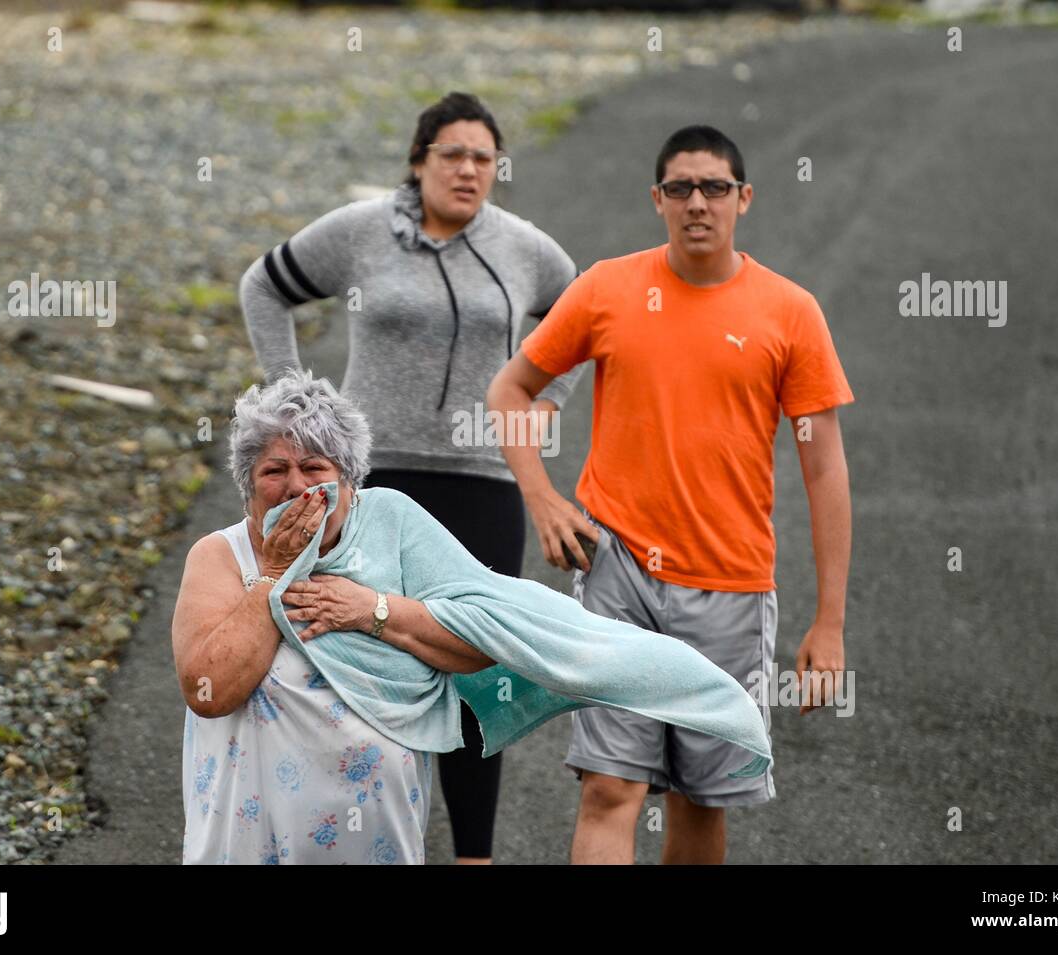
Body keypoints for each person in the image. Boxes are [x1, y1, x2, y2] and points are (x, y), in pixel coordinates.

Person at [172, 370, 773, 865]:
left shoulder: (392, 524)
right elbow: (210, 690)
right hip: (252, 831)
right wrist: (273, 579)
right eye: (274, 471)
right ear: (247, 487)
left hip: (373, 827)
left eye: (315, 469)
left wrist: (375, 610)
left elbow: (477, 637)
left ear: (349, 481)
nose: (296, 487)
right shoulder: (222, 557)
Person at [488, 125, 855, 864]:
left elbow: (824, 470)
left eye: (715, 187)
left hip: (730, 586)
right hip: (617, 572)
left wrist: (830, 623)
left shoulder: (790, 311)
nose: (698, 202)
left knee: (699, 800)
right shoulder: (607, 288)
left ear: (743, 199)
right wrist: (543, 497)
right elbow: (510, 388)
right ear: (657, 199)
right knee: (608, 790)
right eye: (681, 188)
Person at [237, 91, 585, 865]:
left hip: (484, 485)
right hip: (373, 485)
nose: (468, 170)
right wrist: (295, 412)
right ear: (419, 161)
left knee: (476, 667)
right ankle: (350, 843)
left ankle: (473, 856)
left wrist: (538, 411)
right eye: (452, 154)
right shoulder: (363, 233)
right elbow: (262, 286)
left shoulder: (523, 248)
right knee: (364, 652)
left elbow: (585, 323)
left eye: (483, 158)